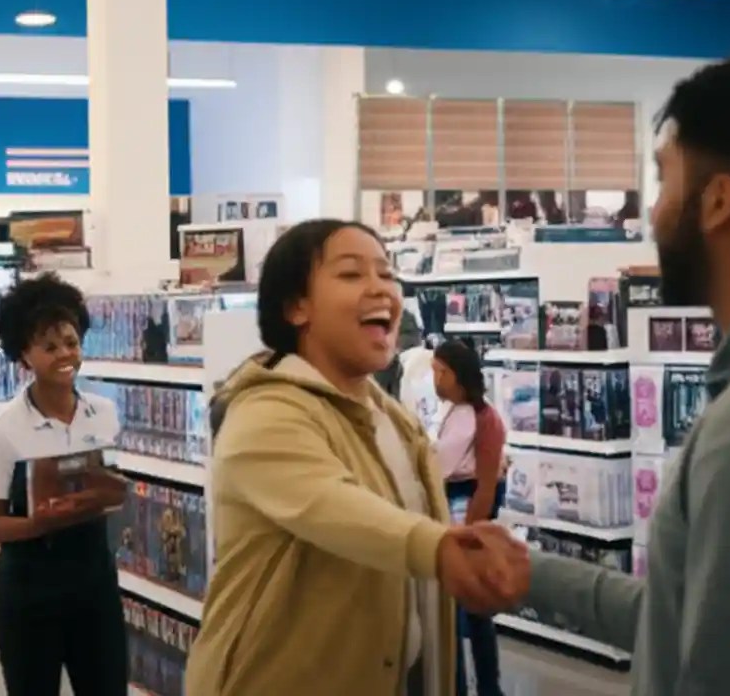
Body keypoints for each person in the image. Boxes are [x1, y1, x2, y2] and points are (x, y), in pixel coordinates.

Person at [513, 55, 730, 695]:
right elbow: (693, 621)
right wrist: (531, 575)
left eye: (664, 181)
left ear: (720, 200)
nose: (653, 214)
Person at [184, 220, 529, 696]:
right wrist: (441, 548)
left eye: (386, 274)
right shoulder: (264, 414)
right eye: (351, 275)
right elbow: (333, 507)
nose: (381, 290)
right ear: (295, 307)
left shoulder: (394, 420)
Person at [0, 273, 128, 696]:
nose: (65, 354)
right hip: (29, 590)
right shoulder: (4, 432)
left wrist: (113, 494)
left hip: (95, 583)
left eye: (71, 342)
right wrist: (41, 523)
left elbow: (111, 482)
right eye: (49, 347)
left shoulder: (104, 413)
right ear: (23, 355)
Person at [431, 340, 507, 696]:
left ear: (458, 376)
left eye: (441, 372)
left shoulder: (484, 418)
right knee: (464, 612)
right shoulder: (451, 411)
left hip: (468, 511)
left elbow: (487, 486)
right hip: (452, 508)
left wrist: (470, 533)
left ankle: (483, 687)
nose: (435, 379)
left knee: (469, 611)